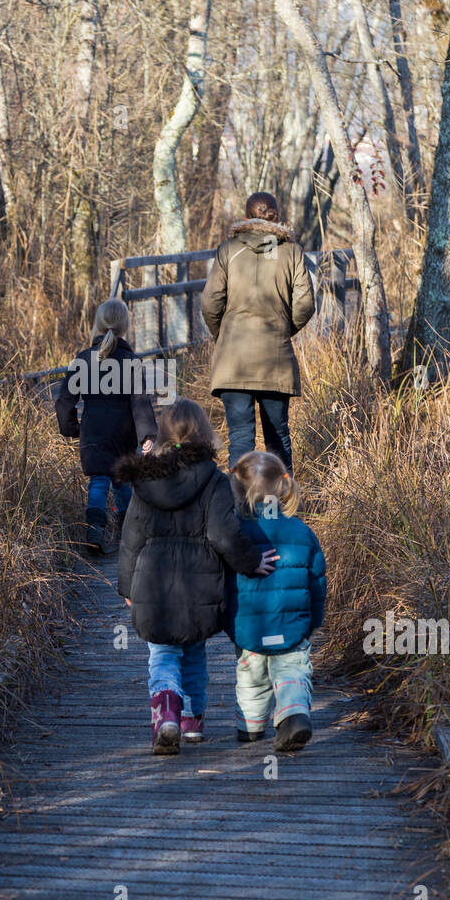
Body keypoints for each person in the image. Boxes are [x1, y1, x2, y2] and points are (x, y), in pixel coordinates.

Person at [115, 398, 277, 754]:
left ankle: (166, 713)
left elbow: (131, 539)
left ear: (162, 435)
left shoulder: (143, 483)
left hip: (152, 585)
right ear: (203, 433)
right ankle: (190, 722)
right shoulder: (215, 481)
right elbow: (224, 535)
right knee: (193, 654)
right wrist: (251, 563)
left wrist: (126, 586)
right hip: (199, 587)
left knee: (162, 655)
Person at [200, 191, 315, 472]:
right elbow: (306, 304)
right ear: (276, 213)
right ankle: (282, 507)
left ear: (246, 215)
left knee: (240, 439)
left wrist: (223, 336)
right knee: (278, 439)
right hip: (274, 358)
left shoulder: (228, 249)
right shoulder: (291, 252)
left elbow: (209, 302)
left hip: (233, 359)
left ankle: (240, 510)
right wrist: (281, 330)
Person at [225, 451, 326, 753]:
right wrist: (313, 621)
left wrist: (227, 621)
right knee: (293, 671)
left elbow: (225, 584)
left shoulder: (235, 535)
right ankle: (294, 714)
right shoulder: (303, 532)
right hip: (293, 625)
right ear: (283, 486)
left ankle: (251, 727)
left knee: (251, 677)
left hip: (249, 627)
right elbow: (317, 582)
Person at [55, 299, 156, 551]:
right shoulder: (131, 361)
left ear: (98, 324)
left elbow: (64, 401)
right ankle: (127, 532)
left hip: (93, 434)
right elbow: (140, 403)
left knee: (99, 482)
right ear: (125, 326)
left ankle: (95, 530)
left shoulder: (83, 359)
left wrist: (71, 429)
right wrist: (146, 435)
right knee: (122, 482)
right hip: (123, 435)